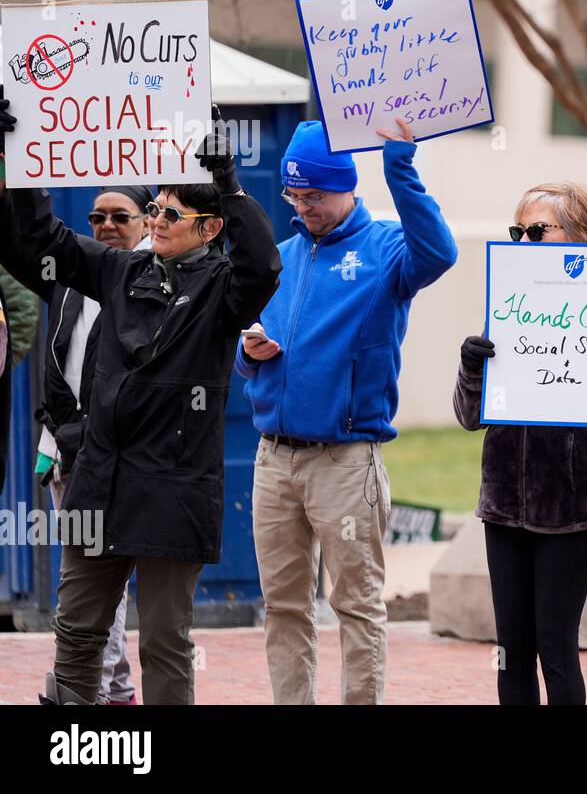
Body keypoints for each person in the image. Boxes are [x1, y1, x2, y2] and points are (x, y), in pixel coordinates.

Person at [0, 98, 281, 705]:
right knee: (76, 631)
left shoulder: (222, 291)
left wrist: (229, 184)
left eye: (171, 212)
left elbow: (261, 266)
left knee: (163, 642)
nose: (155, 218)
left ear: (209, 228)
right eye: (153, 207)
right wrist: (21, 160)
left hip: (173, 491)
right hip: (99, 483)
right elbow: (45, 240)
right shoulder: (121, 270)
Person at [236, 117, 458, 705]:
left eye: (313, 195)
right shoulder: (279, 258)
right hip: (274, 459)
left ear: (346, 187)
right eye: (293, 195)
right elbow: (249, 346)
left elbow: (440, 253)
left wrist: (401, 168)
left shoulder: (387, 249)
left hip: (345, 461)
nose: (302, 206)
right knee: (282, 605)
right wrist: (248, 352)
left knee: (356, 605)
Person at [453, 181, 587, 705]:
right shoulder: (508, 306)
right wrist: (471, 368)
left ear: (583, 237)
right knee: (512, 647)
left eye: (536, 231)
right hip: (504, 507)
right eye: (516, 232)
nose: (522, 242)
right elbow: (467, 418)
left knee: (555, 643)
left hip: (576, 510)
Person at [18, 185, 154, 706]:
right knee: (87, 587)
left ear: (148, 221)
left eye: (121, 216)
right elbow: (23, 242)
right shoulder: (73, 274)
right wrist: (19, 169)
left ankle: (91, 693)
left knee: (101, 590)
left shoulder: (153, 279)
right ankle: (114, 692)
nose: (106, 225)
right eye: (97, 216)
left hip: (120, 458)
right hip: (66, 453)